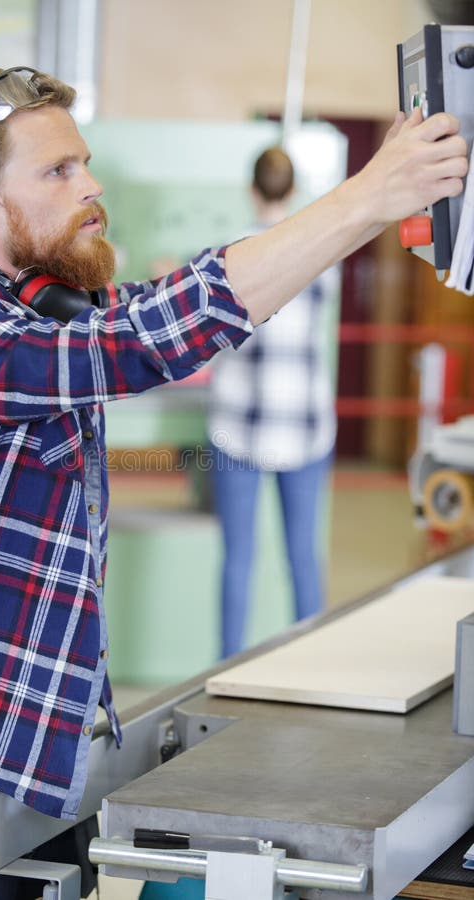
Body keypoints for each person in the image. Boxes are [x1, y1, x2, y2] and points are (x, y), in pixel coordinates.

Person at [0, 64, 467, 898]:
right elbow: (147, 336)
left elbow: (146, 313)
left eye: (83, 161)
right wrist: (370, 196)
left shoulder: (36, 310)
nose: (92, 183)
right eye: (58, 171)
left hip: (39, 756)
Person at [208, 145, 338, 659]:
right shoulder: (320, 257)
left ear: (251, 189)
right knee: (303, 557)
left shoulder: (226, 255)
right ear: (294, 190)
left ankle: (222, 672)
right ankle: (310, 668)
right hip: (304, 427)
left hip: (237, 427)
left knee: (238, 558)